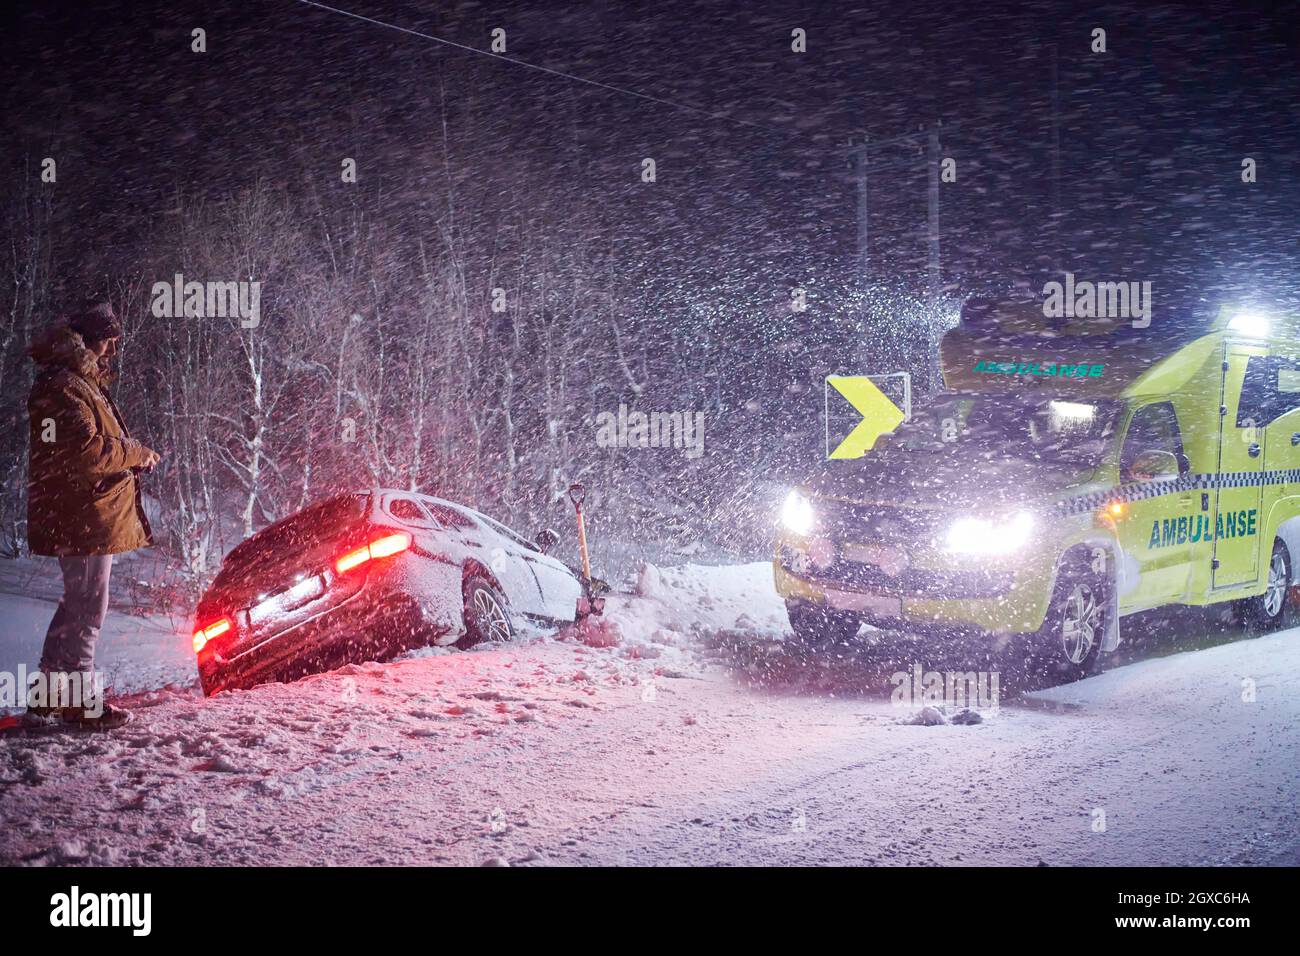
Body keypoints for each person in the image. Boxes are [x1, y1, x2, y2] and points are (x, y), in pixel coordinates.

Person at [24, 301, 161, 729]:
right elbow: (85, 452)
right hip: (82, 514)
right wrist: (136, 452)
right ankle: (80, 702)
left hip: (84, 511)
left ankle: (50, 695)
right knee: (88, 609)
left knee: (77, 604)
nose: (113, 351)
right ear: (90, 339)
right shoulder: (64, 386)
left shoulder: (73, 382)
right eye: (109, 341)